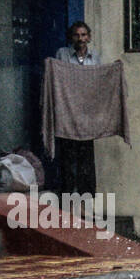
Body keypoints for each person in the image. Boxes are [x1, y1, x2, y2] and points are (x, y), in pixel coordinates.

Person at [54, 21, 99, 198]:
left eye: (83, 35)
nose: (80, 39)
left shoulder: (95, 57)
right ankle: (68, 197)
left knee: (86, 158)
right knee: (68, 157)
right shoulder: (62, 54)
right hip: (68, 114)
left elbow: (98, 82)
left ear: (89, 37)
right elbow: (58, 80)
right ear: (71, 37)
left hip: (87, 116)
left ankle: (85, 199)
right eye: (76, 35)